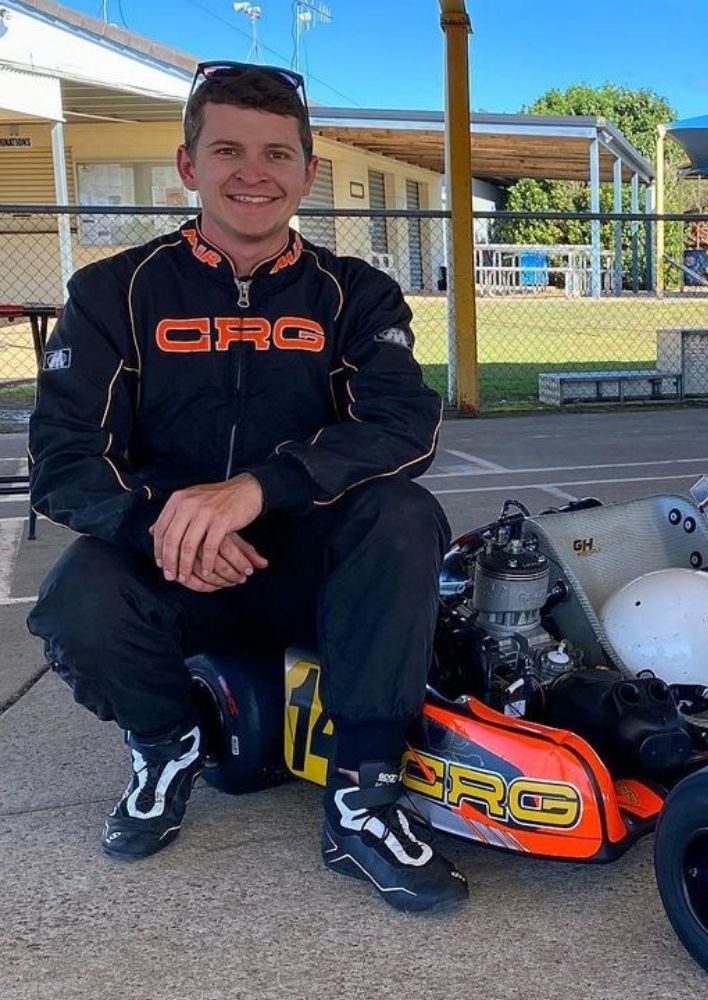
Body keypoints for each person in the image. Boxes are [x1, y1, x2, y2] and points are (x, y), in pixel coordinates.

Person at [27, 61, 467, 913]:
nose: (253, 174)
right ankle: (166, 744)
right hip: (170, 564)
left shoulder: (358, 294)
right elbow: (65, 457)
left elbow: (401, 427)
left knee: (403, 513)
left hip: (308, 570)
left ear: (307, 172)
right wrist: (161, 524)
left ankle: (362, 796)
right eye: (227, 150)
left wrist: (256, 490)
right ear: (188, 165)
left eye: (276, 154)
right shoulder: (112, 291)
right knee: (75, 597)